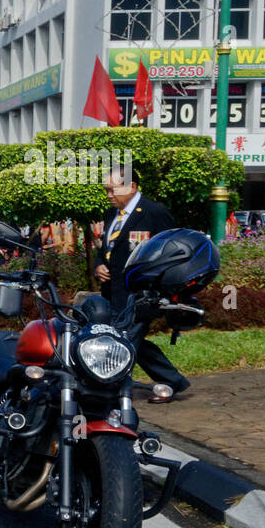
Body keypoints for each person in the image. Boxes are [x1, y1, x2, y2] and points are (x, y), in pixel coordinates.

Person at [94, 167, 186, 403]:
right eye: (106, 190)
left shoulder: (155, 213)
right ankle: (173, 380)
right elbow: (105, 249)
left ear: (131, 186)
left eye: (112, 190)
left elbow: (172, 252)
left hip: (141, 294)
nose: (109, 195)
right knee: (128, 339)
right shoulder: (111, 214)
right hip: (112, 292)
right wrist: (99, 265)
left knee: (123, 341)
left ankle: (111, 391)